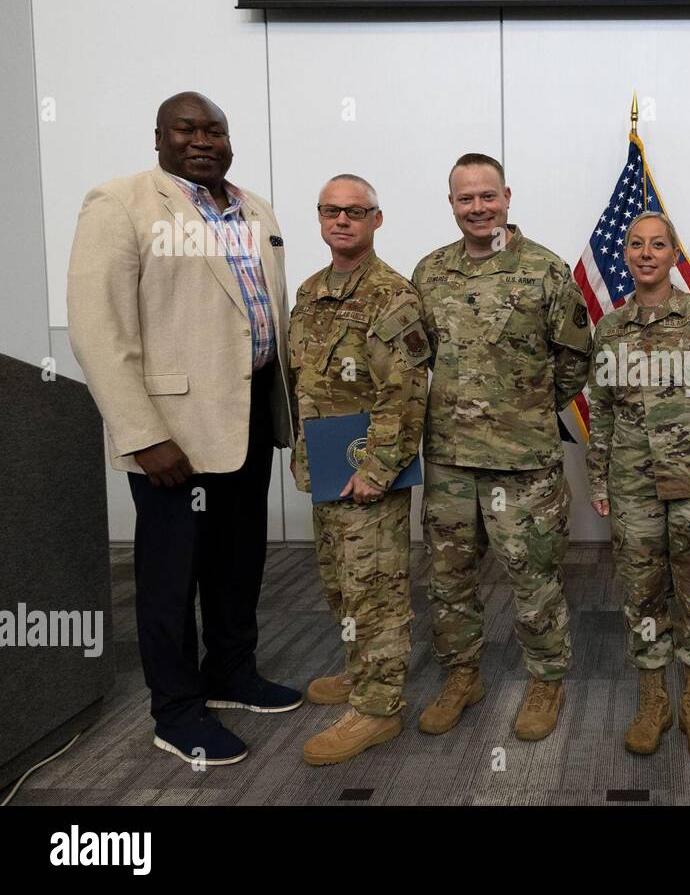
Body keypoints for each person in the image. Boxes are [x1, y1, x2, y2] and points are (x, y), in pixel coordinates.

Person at [67, 92, 299, 766]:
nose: (203, 139)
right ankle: (175, 710)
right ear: (160, 138)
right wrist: (141, 433)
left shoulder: (252, 208)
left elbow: (263, 315)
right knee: (171, 576)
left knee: (238, 559)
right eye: (187, 129)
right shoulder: (121, 204)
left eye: (215, 129)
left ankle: (232, 673)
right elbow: (97, 329)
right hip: (173, 429)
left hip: (250, 413)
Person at [411, 153, 592, 741]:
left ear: (507, 196)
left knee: (533, 578)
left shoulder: (544, 270)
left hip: (522, 461)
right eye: (466, 199)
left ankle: (546, 681)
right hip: (448, 461)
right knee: (448, 578)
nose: (478, 208)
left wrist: (528, 410)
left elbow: (575, 360)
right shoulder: (430, 273)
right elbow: (420, 360)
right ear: (451, 204)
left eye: (488, 196)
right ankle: (463, 676)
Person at [587, 211, 690, 760]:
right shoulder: (611, 327)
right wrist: (598, 476)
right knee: (642, 593)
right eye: (636, 244)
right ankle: (654, 699)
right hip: (632, 481)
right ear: (626, 254)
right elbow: (603, 409)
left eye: (657, 244)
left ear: (673, 252)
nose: (645, 253)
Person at [288, 175, 429, 765]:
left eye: (355, 212)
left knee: (376, 588)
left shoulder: (392, 296)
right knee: (339, 582)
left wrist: (378, 466)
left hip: (369, 470)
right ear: (320, 219)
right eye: (330, 211)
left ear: (376, 219)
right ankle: (359, 671)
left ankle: (378, 709)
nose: (341, 221)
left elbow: (407, 391)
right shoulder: (310, 290)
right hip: (323, 467)